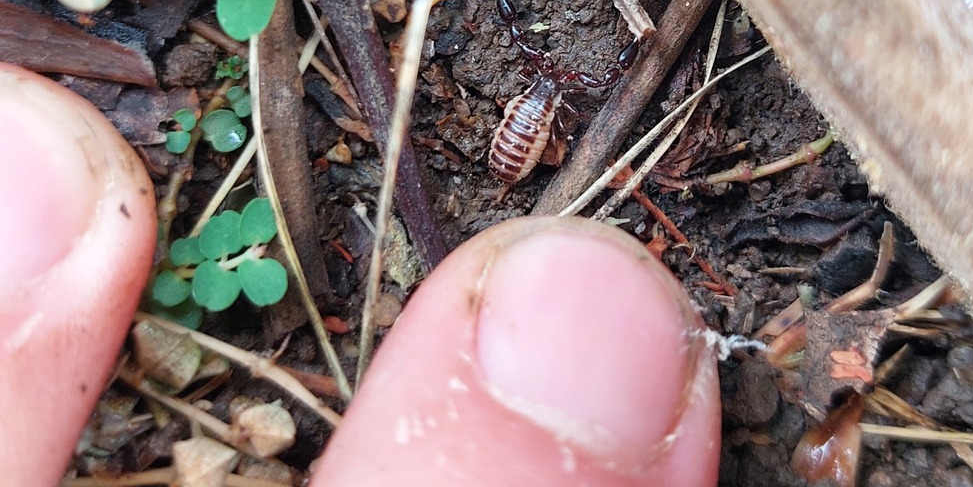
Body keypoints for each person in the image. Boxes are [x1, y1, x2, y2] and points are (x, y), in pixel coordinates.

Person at [0, 62, 721, 486]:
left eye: (536, 99)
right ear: (524, 107)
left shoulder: (539, 111)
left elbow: (540, 122)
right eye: (532, 99)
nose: (533, 102)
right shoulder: (537, 109)